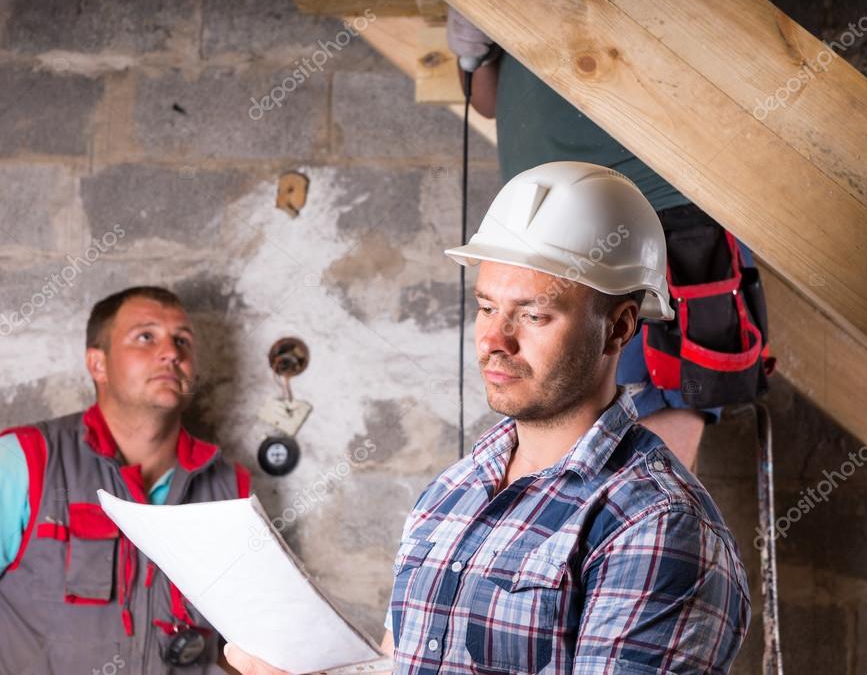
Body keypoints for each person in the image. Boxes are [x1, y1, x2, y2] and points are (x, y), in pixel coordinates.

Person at [225, 162, 750, 674]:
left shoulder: (655, 524)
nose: (494, 341)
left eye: (533, 314)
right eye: (486, 308)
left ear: (618, 328)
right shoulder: (452, 493)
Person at [447, 10, 767, 473]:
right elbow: (487, 101)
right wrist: (472, 47)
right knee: (555, 429)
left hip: (661, 228)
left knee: (650, 436)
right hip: (537, 239)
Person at [0, 286, 250, 674]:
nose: (172, 353)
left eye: (182, 340)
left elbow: (241, 647)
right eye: (146, 337)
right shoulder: (24, 460)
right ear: (97, 364)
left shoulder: (230, 489)